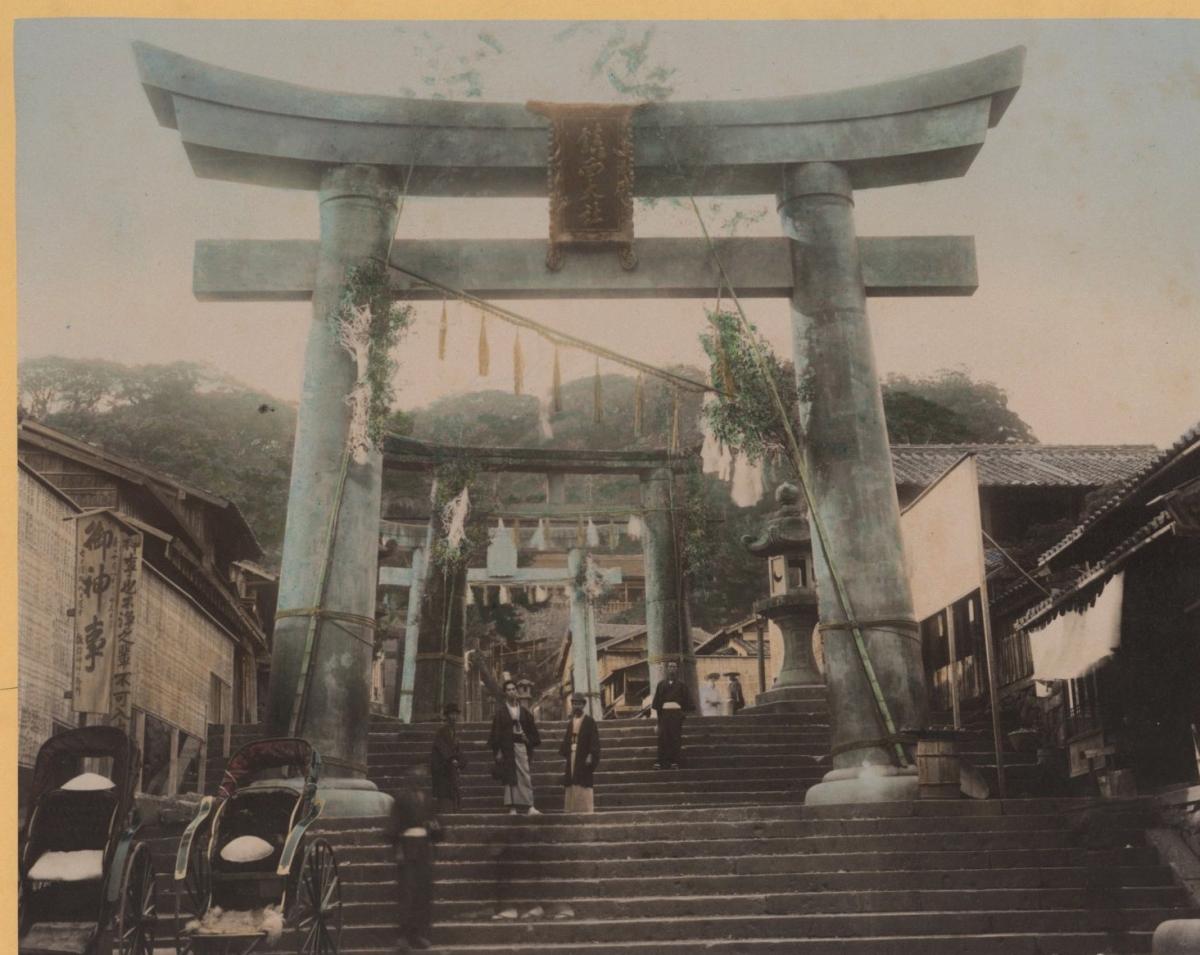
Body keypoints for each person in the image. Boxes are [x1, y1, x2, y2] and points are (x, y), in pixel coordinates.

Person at [387, 767, 444, 951]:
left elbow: (437, 828)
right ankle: (403, 936)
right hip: (407, 846)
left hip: (424, 849)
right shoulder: (401, 799)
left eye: (422, 777)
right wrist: (398, 851)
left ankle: (417, 934)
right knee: (407, 891)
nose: (419, 780)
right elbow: (394, 826)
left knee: (423, 892)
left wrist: (435, 828)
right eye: (416, 777)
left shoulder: (428, 800)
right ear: (409, 779)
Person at [489, 678, 542, 815]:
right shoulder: (501, 713)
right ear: (505, 693)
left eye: (513, 689)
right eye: (508, 690)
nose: (512, 692)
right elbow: (496, 733)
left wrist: (527, 739)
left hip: (522, 747)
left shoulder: (524, 712)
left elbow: (534, 734)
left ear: (517, 692)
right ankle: (512, 807)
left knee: (525, 775)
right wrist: (498, 750)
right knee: (509, 777)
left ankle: (529, 806)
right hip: (507, 747)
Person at [559, 692, 601, 813]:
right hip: (572, 754)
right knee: (572, 780)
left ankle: (585, 809)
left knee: (583, 781)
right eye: (574, 703)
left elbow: (594, 740)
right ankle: (572, 809)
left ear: (583, 705)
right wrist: (566, 753)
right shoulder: (571, 722)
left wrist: (591, 754)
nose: (576, 706)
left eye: (579, 704)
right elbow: (567, 740)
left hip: (583, 755)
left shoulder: (589, 721)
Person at [651, 660, 692, 770]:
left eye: (674, 666)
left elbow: (688, 703)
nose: (672, 668)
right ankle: (661, 762)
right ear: (667, 669)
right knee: (662, 738)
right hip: (664, 714)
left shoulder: (682, 685)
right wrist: (658, 719)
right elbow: (657, 703)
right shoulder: (661, 684)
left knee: (675, 738)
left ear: (677, 669)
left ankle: (675, 762)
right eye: (670, 666)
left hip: (676, 714)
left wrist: (682, 714)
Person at [430, 702, 467, 812]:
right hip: (442, 766)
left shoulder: (454, 732)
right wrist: (452, 759)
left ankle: (454, 808)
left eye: (455, 714)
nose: (454, 717)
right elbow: (441, 747)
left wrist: (461, 761)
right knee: (444, 789)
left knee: (453, 787)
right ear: (447, 716)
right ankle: (446, 809)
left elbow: (457, 749)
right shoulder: (442, 731)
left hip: (450, 765)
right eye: (451, 714)